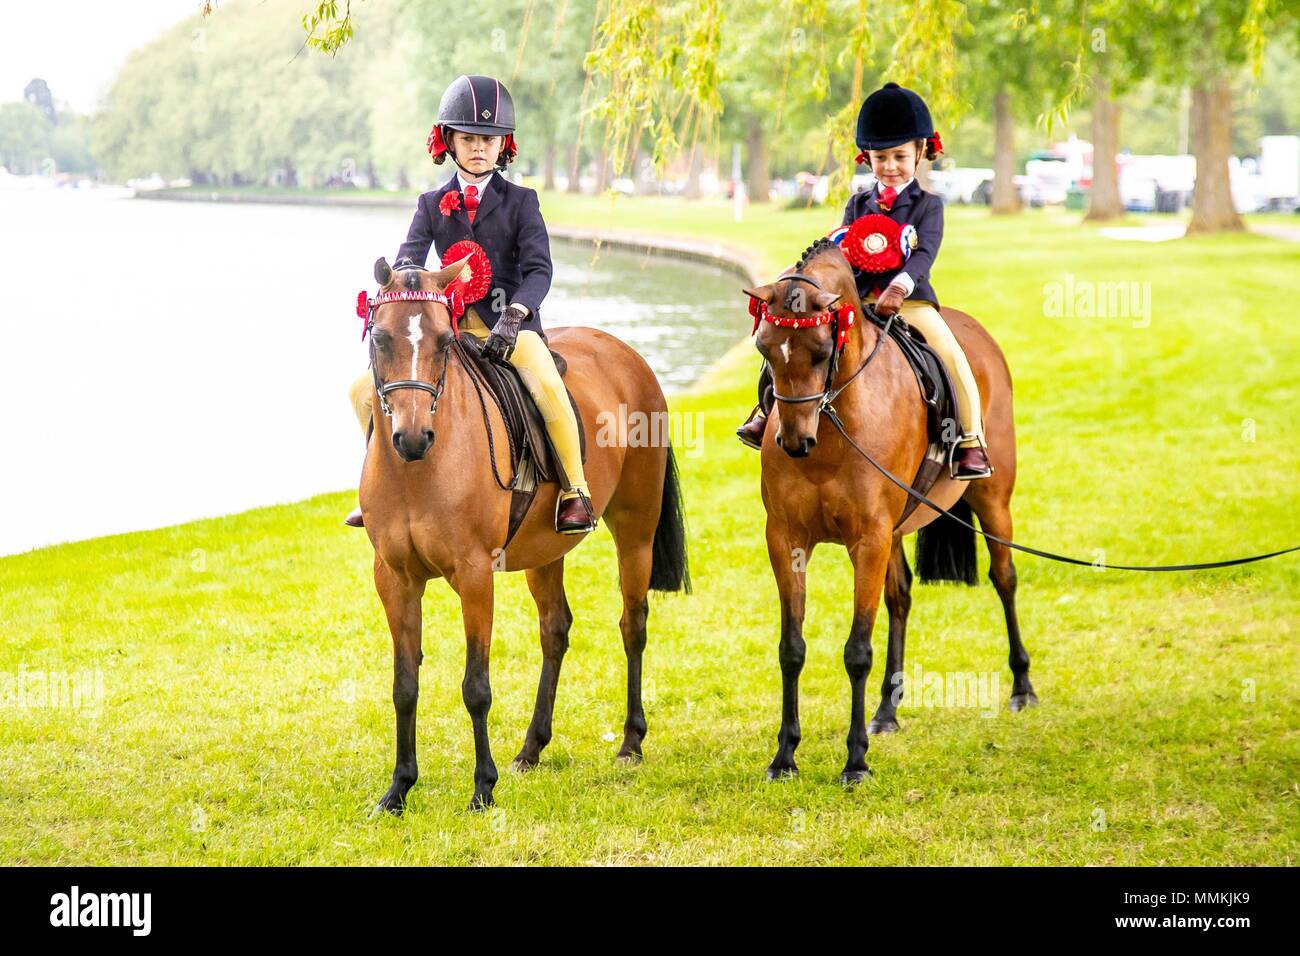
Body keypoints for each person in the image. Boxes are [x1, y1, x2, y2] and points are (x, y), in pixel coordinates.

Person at [345, 74, 597, 532]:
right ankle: (377, 490)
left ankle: (575, 490)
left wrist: (517, 313)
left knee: (545, 381)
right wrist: (402, 283)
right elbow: (410, 259)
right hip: (451, 333)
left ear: (504, 146)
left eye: (488, 139)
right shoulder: (431, 203)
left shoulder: (523, 202)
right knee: (361, 391)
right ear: (450, 143)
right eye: (468, 139)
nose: (479, 148)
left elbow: (539, 269)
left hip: (510, 329)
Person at [736, 81, 994, 480]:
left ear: (920, 153)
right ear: (867, 158)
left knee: (950, 353)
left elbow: (924, 254)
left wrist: (899, 286)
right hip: (856, 304)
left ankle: (969, 440)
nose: (890, 166)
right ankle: (766, 410)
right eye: (881, 158)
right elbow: (840, 250)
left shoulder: (928, 206)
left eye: (899, 156)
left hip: (910, 302)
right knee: (792, 342)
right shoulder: (859, 203)